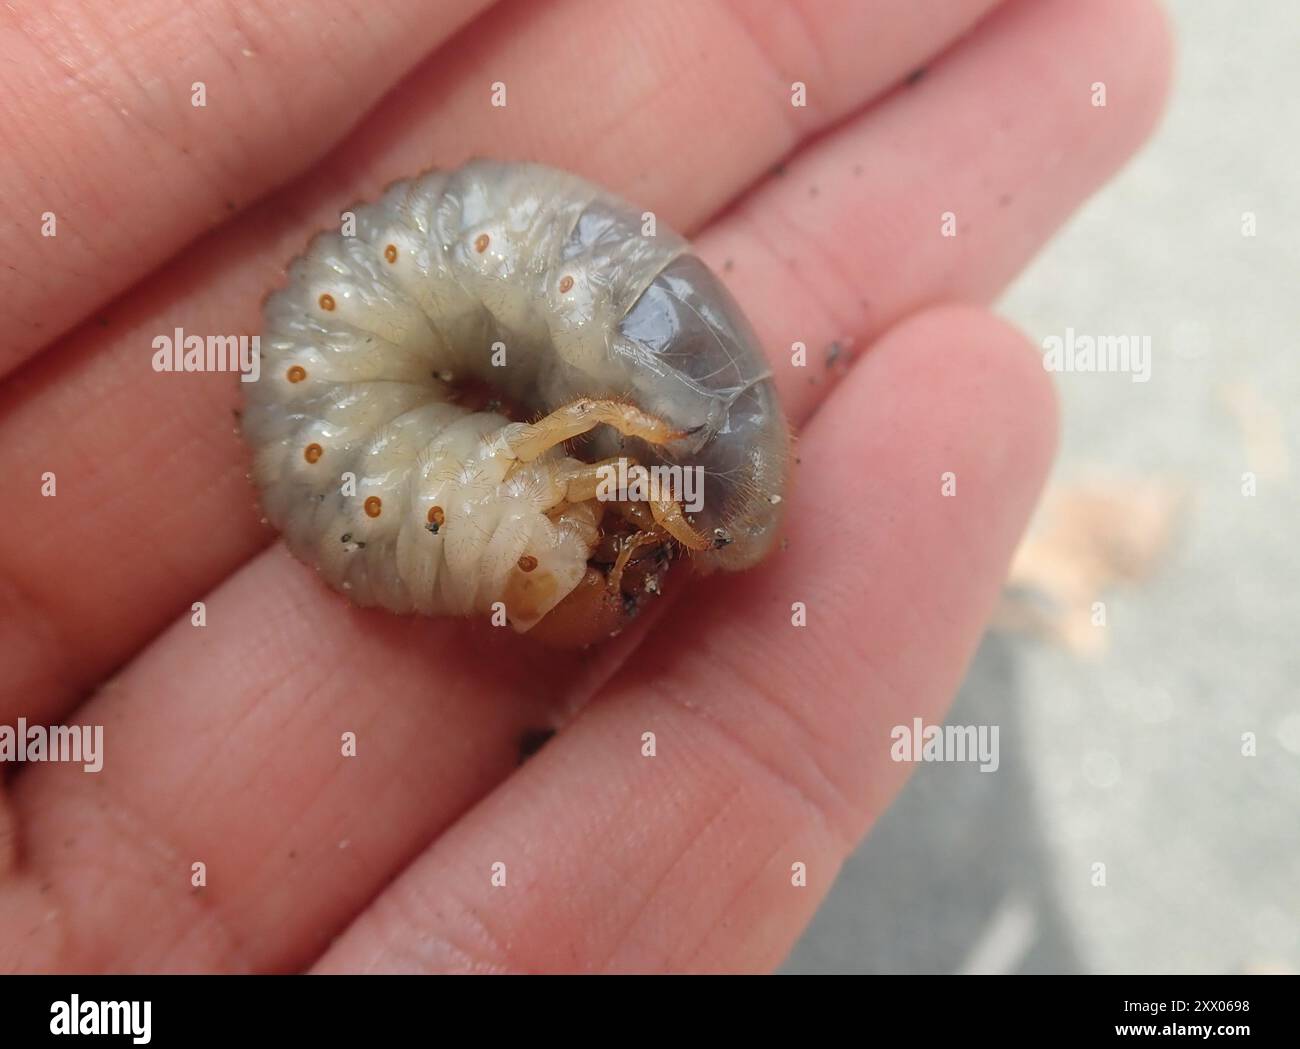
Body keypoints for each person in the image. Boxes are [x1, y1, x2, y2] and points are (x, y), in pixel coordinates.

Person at [0, 0, 1170, 973]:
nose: (614, 552)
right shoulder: (427, 468)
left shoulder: (416, 440)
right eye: (624, 537)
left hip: (480, 285)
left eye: (601, 546)